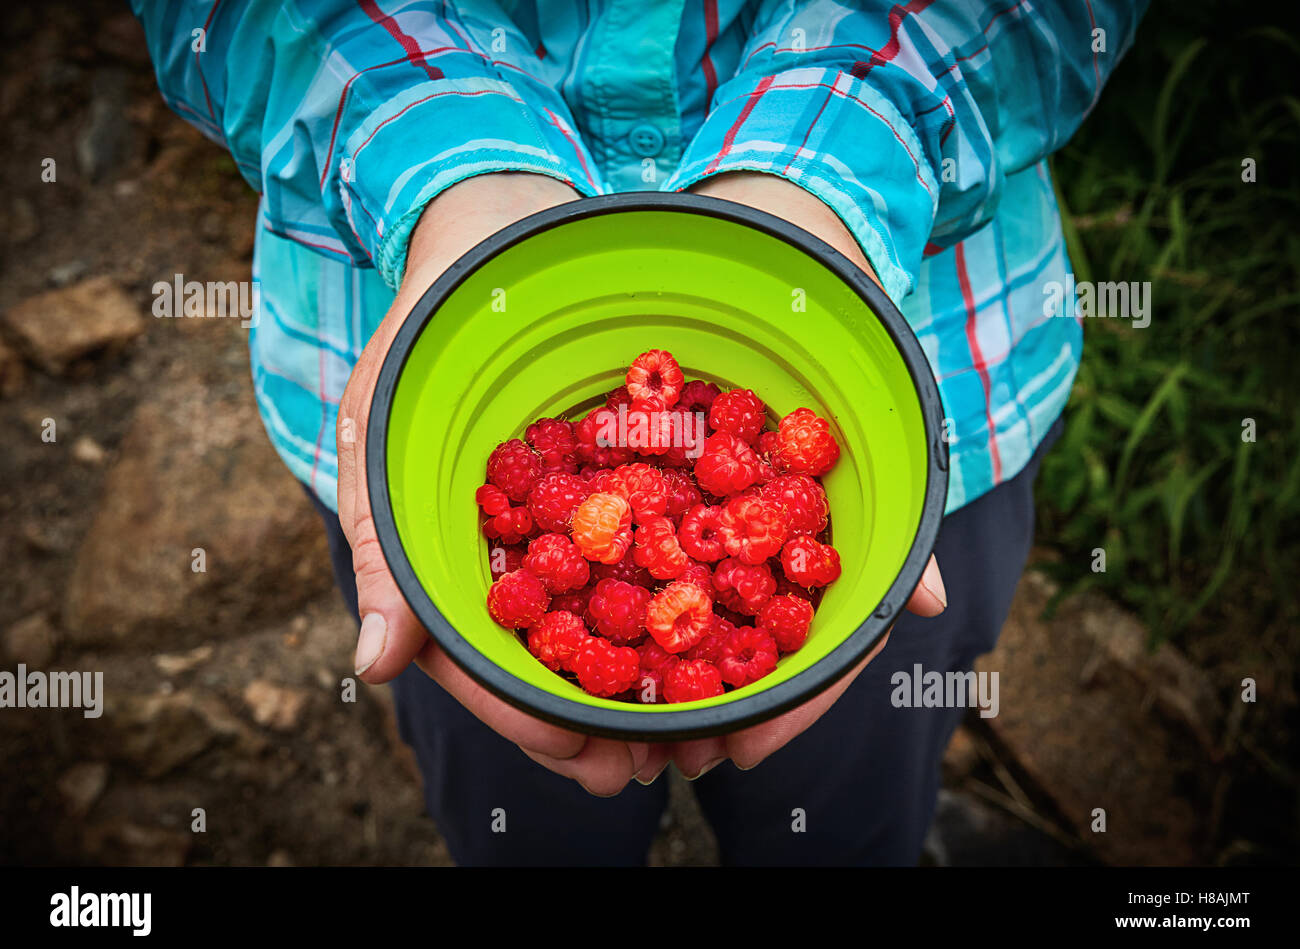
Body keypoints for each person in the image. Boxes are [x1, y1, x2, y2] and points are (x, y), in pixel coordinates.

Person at [131, 0, 1147, 865]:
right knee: (526, 832)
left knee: (844, 828)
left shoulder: (711, 506)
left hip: (928, 379)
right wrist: (444, 172)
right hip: (404, 365)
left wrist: (830, 175)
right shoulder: (579, 528)